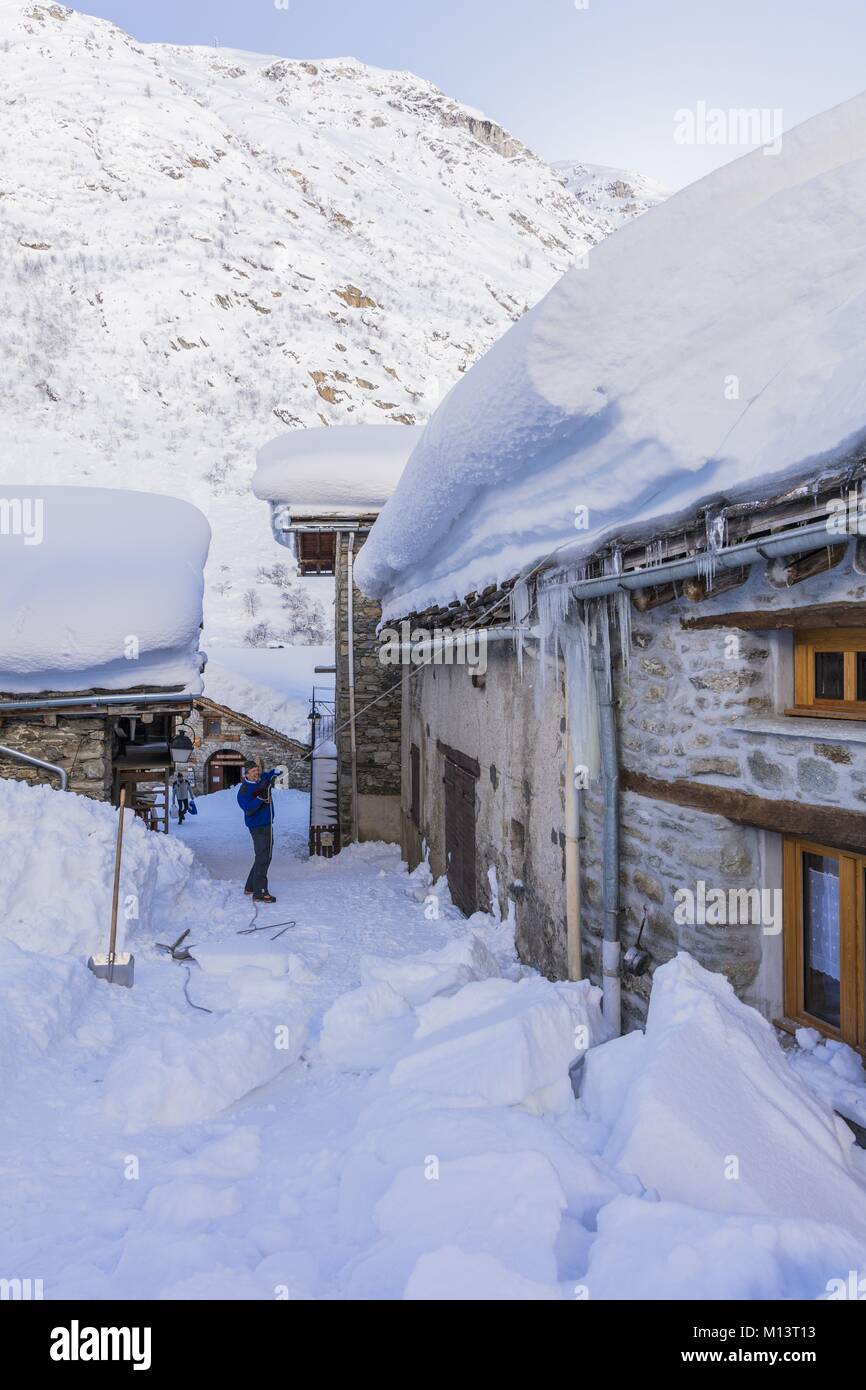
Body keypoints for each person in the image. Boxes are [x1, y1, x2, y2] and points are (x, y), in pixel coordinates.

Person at [237, 761, 278, 902]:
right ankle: (260, 892)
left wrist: (275, 772)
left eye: (257, 770)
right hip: (257, 827)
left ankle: (250, 887)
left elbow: (269, 775)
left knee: (263, 856)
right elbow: (248, 808)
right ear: (246, 774)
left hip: (267, 824)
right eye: (253, 771)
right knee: (263, 858)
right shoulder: (244, 790)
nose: (257, 773)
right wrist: (260, 798)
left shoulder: (261, 780)